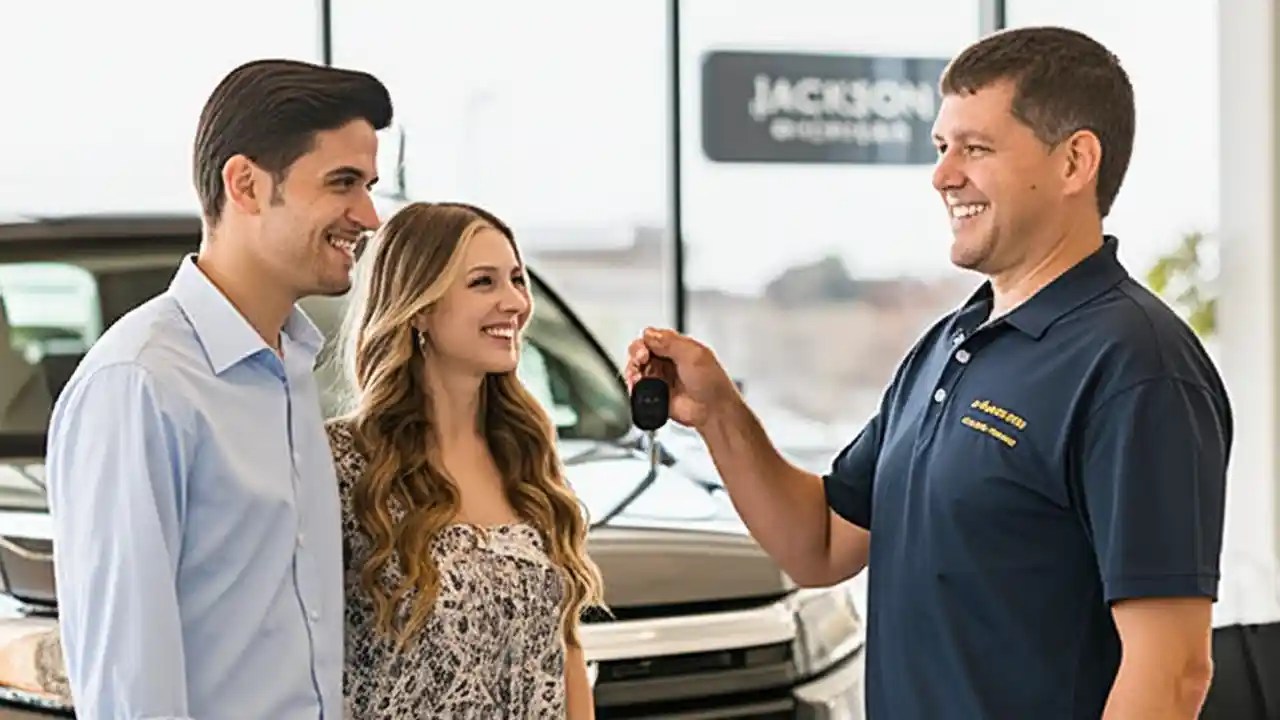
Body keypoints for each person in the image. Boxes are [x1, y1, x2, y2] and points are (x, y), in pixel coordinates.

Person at [627, 26, 1232, 720]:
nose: (943, 176)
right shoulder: (950, 344)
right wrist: (719, 414)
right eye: (942, 147)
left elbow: (1172, 672)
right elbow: (822, 544)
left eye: (976, 148)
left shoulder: (1138, 366)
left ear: (1075, 162)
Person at [45, 58, 392, 719]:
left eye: (369, 185)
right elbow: (128, 689)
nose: (368, 215)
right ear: (246, 185)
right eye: (343, 182)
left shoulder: (291, 368)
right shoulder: (142, 384)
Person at [324, 201, 604, 719]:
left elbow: (566, 649)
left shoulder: (525, 450)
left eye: (516, 279)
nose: (515, 302)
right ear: (419, 308)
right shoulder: (344, 463)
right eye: (483, 283)